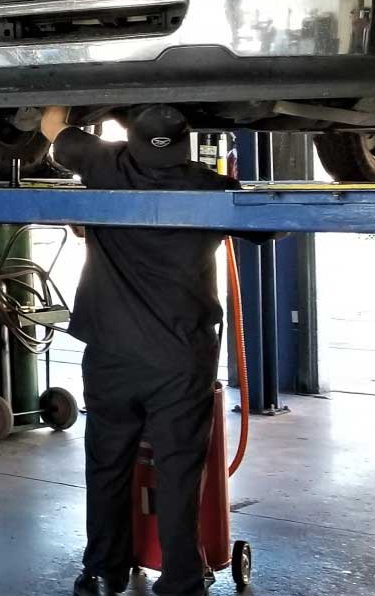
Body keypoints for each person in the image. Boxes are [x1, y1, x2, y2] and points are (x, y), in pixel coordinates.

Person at [40, 104, 266, 596]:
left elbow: (53, 126)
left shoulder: (103, 163)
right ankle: (181, 581)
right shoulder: (209, 187)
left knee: (107, 464)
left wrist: (60, 97)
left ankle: (103, 572)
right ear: (185, 145)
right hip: (179, 360)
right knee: (179, 471)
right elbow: (272, 224)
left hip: (111, 355)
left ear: (132, 140)